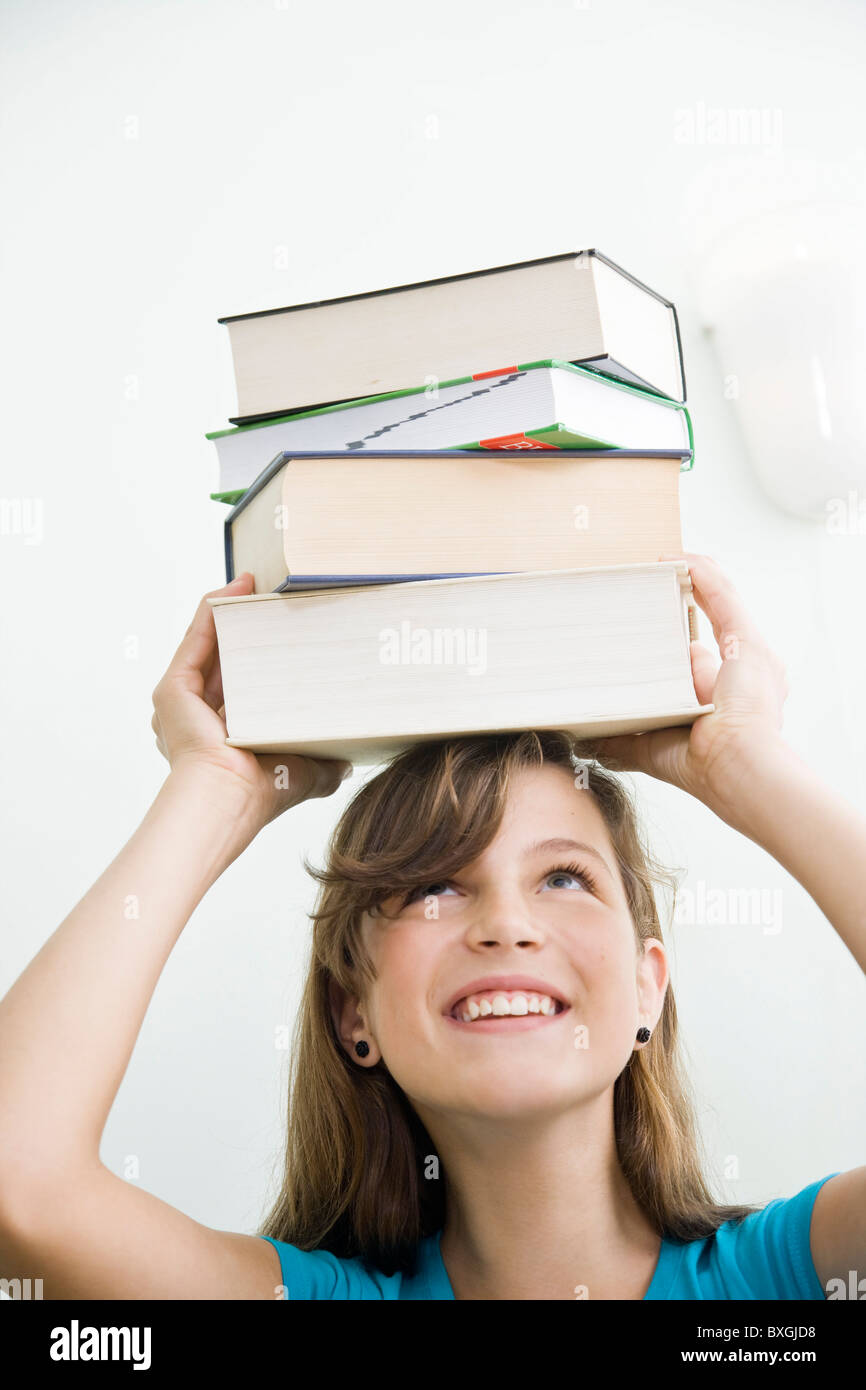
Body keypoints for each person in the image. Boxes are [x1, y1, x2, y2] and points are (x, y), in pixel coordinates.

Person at [0, 554, 862, 1299]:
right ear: (354, 1015)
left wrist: (747, 764)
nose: (507, 924)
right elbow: (20, 1185)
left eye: (564, 876)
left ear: (649, 984)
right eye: (434, 889)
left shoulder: (779, 1288)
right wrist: (213, 787)